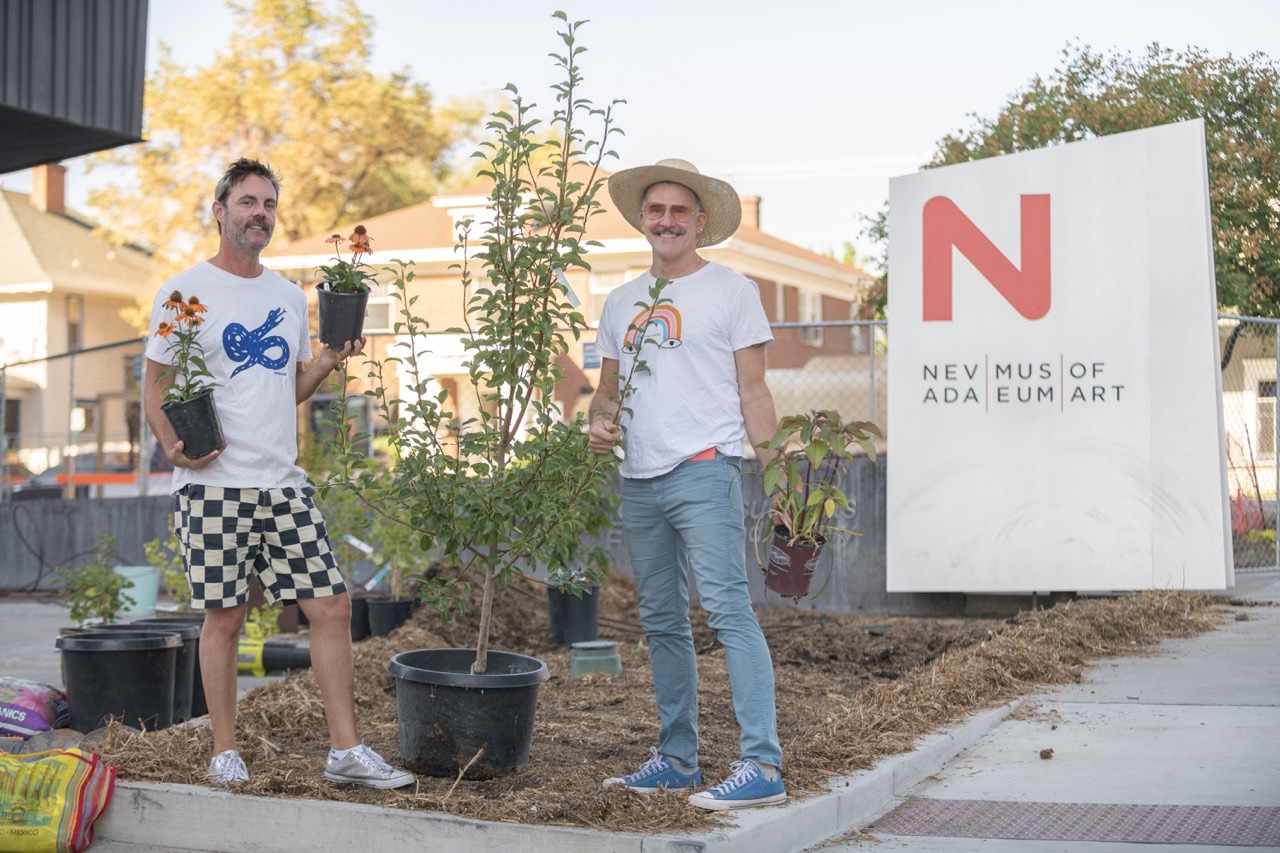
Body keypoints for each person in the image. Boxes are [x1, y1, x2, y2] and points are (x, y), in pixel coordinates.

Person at [143, 158, 413, 789]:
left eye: (267, 204)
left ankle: (345, 752)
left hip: (283, 483)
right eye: (245, 202)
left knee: (332, 605)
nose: (258, 213)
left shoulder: (290, 296)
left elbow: (284, 387)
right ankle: (224, 750)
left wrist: (326, 361)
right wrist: (172, 447)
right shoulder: (184, 293)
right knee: (227, 616)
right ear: (220, 211)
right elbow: (156, 383)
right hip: (211, 485)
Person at [588, 158, 786, 810]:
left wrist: (777, 472)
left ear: (700, 221)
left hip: (706, 469)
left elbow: (754, 390)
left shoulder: (732, 291)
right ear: (642, 221)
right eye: (656, 211)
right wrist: (599, 423)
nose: (666, 221)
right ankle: (677, 758)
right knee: (662, 620)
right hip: (639, 479)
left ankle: (761, 763)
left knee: (729, 609)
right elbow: (605, 394)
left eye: (679, 211)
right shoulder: (620, 301)